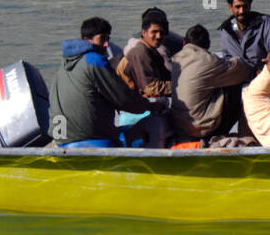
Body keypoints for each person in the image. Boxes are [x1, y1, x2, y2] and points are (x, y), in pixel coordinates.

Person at [50, 17, 165, 147]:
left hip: (61, 138)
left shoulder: (63, 66)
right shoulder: (94, 60)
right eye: (102, 39)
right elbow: (124, 99)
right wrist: (150, 106)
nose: (106, 44)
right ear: (87, 40)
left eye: (107, 39)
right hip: (89, 137)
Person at [170, 24, 253, 140]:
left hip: (179, 125)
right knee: (233, 81)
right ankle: (245, 135)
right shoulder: (209, 61)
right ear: (208, 45)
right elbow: (243, 70)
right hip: (201, 128)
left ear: (184, 43)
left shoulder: (176, 59)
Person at [119, 12, 174, 97]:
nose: (158, 36)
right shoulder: (140, 52)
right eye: (154, 32)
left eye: (161, 32)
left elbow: (166, 76)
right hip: (132, 100)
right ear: (144, 33)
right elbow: (150, 87)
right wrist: (179, 87)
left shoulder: (152, 51)